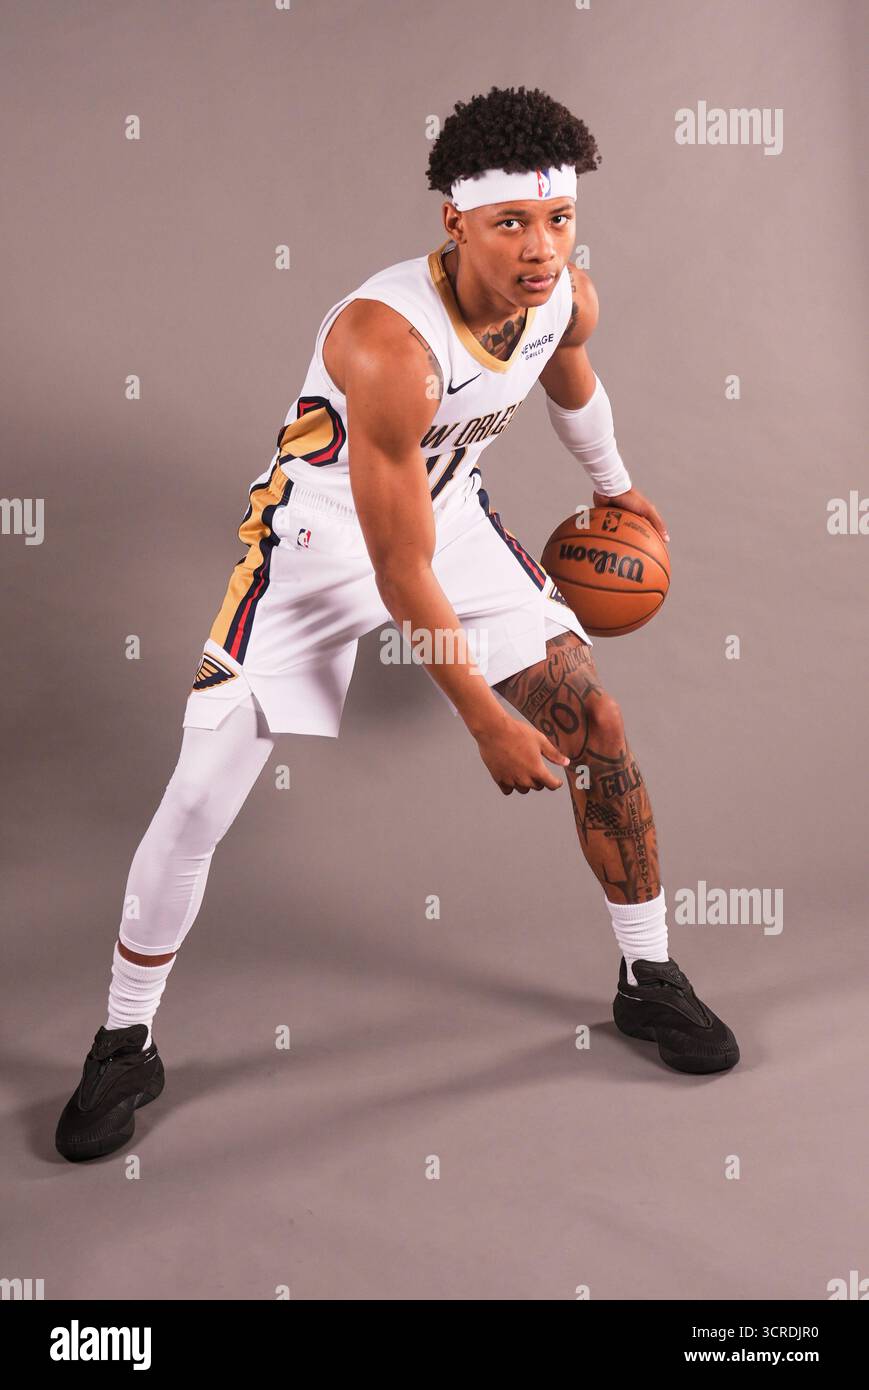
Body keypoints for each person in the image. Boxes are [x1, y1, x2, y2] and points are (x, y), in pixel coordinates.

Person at [56, 85, 738, 1163]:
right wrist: (484, 718)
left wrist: (615, 485)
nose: (539, 247)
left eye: (557, 219)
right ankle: (124, 1040)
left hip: (447, 520)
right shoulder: (388, 343)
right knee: (196, 798)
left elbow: (570, 384)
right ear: (453, 221)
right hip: (317, 546)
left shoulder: (563, 297)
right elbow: (394, 569)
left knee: (597, 723)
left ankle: (645, 975)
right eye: (510, 222)